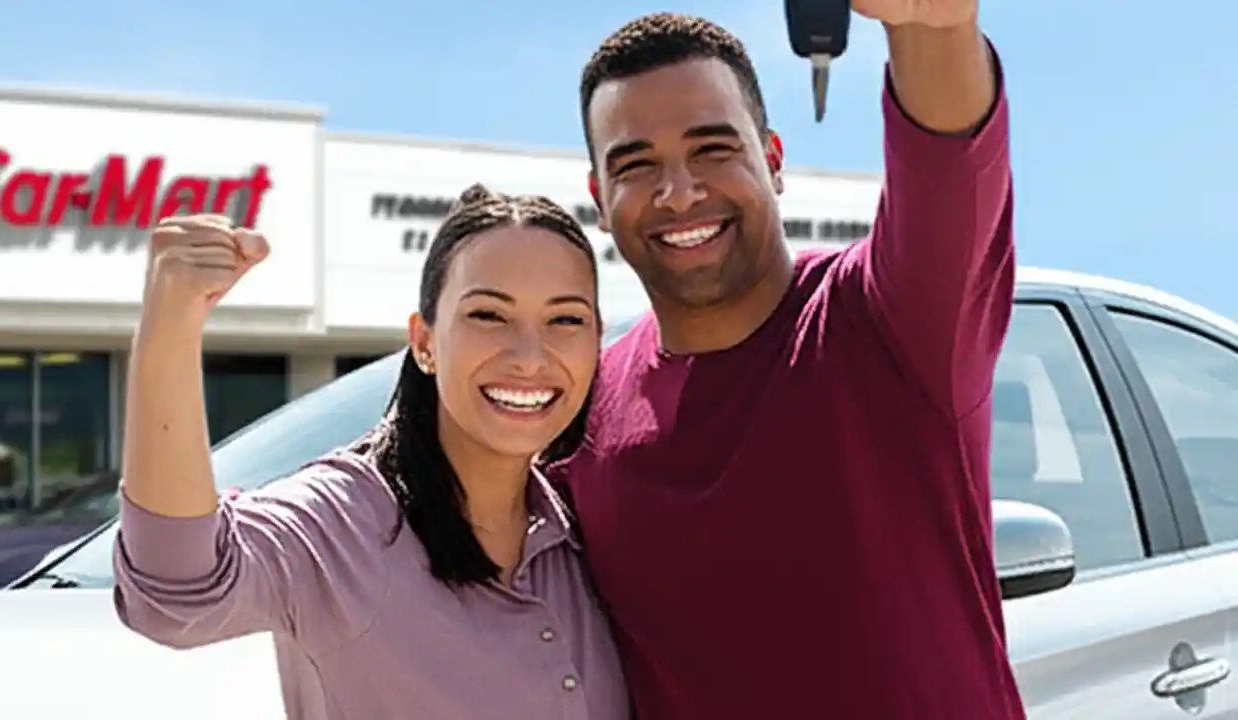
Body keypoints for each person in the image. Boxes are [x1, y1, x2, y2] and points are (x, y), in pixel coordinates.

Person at [553, 5, 1023, 719]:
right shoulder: (576, 412)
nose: (679, 192)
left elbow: (949, 163)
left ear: (773, 160)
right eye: (636, 164)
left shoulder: (890, 325)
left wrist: (934, 27)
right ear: (599, 198)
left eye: (713, 149)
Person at [112, 185, 629, 719]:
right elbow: (177, 589)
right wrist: (171, 323)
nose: (529, 357)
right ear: (425, 343)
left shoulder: (582, 527)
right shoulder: (348, 521)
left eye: (565, 320)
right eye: (489, 316)